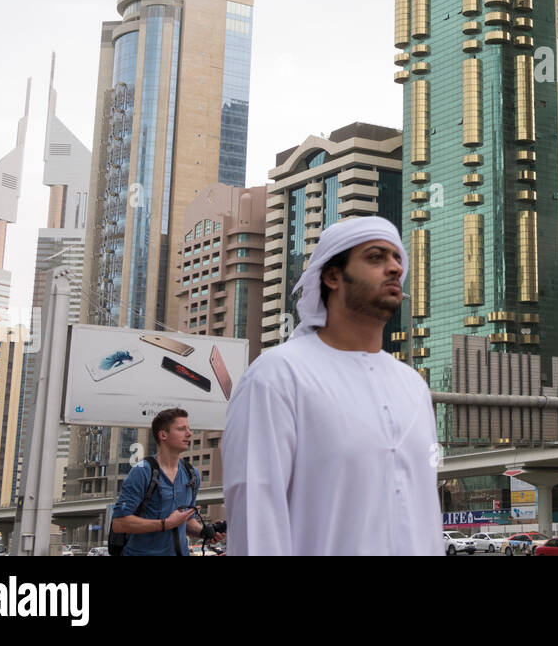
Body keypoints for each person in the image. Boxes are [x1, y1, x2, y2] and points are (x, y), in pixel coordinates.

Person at [222, 216, 441, 555]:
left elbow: (426, 516)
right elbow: (256, 513)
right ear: (332, 276)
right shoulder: (277, 376)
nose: (395, 268)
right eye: (375, 257)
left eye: (397, 258)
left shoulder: (412, 386)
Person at [111, 407, 220, 556]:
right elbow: (119, 523)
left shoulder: (191, 474)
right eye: (181, 429)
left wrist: (205, 532)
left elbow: (186, 521)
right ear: (163, 435)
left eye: (189, 429)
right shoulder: (142, 471)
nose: (189, 433)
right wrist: (165, 524)